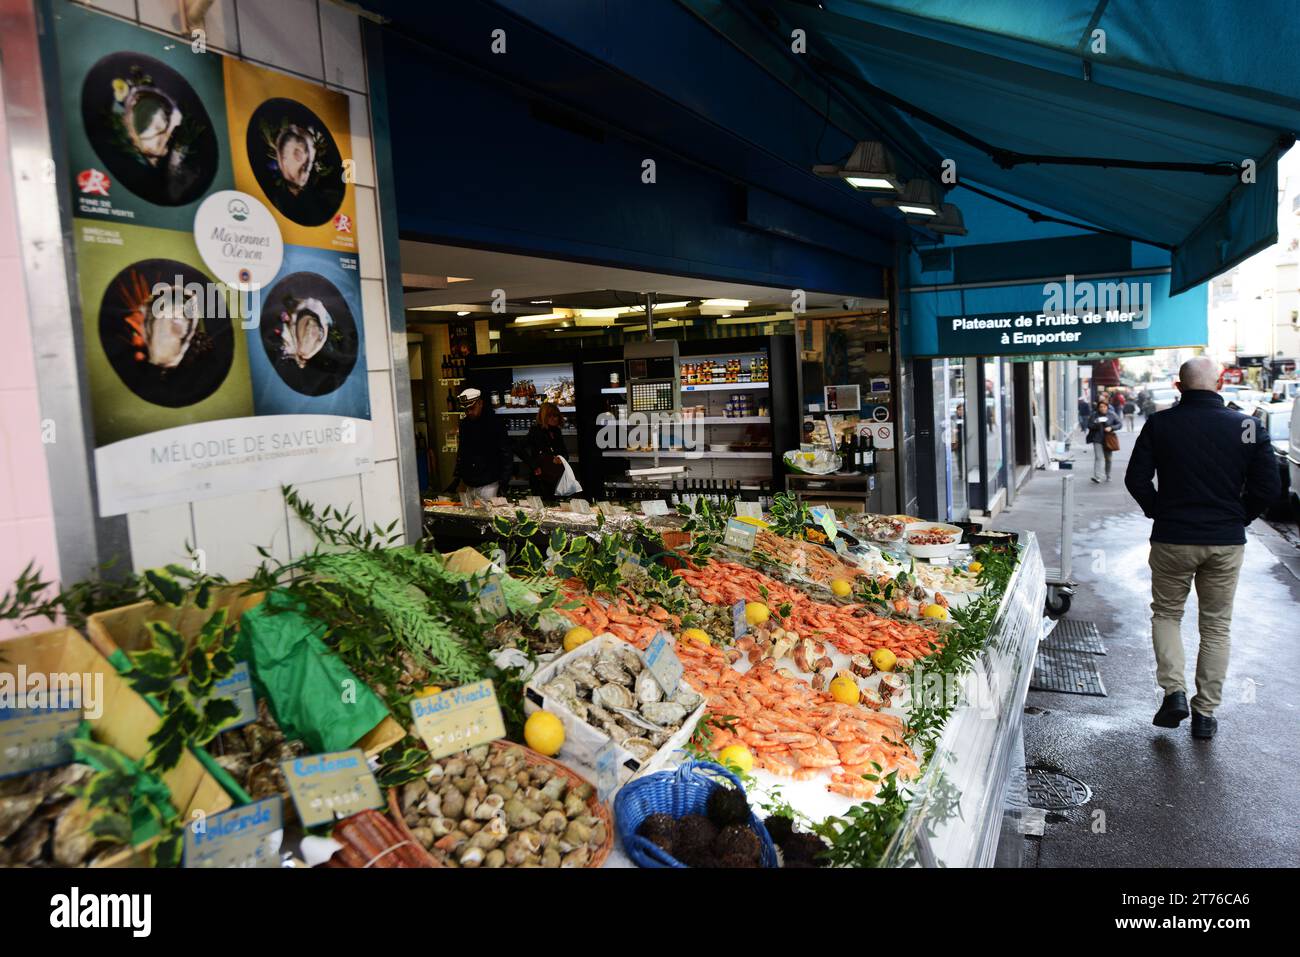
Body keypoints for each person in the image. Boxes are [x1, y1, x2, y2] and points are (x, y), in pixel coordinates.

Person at [1124, 357, 1280, 740]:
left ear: (1179, 387)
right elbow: (1268, 486)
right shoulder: (1247, 426)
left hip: (1173, 537)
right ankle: (1206, 714)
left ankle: (1173, 692)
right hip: (1225, 542)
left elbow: (1136, 478)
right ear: (1222, 382)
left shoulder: (1161, 424)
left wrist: (1158, 510)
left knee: (1167, 614)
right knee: (1216, 626)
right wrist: (1240, 517)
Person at [450, 387, 512, 500]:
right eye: (466, 410)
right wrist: (457, 476)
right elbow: (463, 451)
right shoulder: (465, 424)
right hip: (470, 482)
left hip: (489, 483)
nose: (469, 412)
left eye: (472, 408)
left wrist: (504, 482)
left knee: (489, 516)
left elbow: (506, 453)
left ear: (480, 403)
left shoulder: (494, 423)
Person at [523, 402, 572, 497]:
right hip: (541, 478)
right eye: (550, 416)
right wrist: (534, 465)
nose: (554, 418)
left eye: (555, 415)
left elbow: (564, 452)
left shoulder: (556, 431)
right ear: (543, 417)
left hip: (555, 477)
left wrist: (560, 458)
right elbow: (518, 448)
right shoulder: (536, 431)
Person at [1085, 399, 1122, 482]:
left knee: (1108, 459)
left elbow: (1119, 424)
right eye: (1101, 407)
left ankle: (1108, 475)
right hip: (1097, 439)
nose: (1102, 408)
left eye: (1104, 407)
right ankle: (1097, 476)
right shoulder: (1094, 415)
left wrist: (1111, 428)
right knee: (1098, 457)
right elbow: (1089, 425)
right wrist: (1096, 424)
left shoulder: (1112, 414)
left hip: (1108, 439)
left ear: (1107, 407)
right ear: (1098, 408)